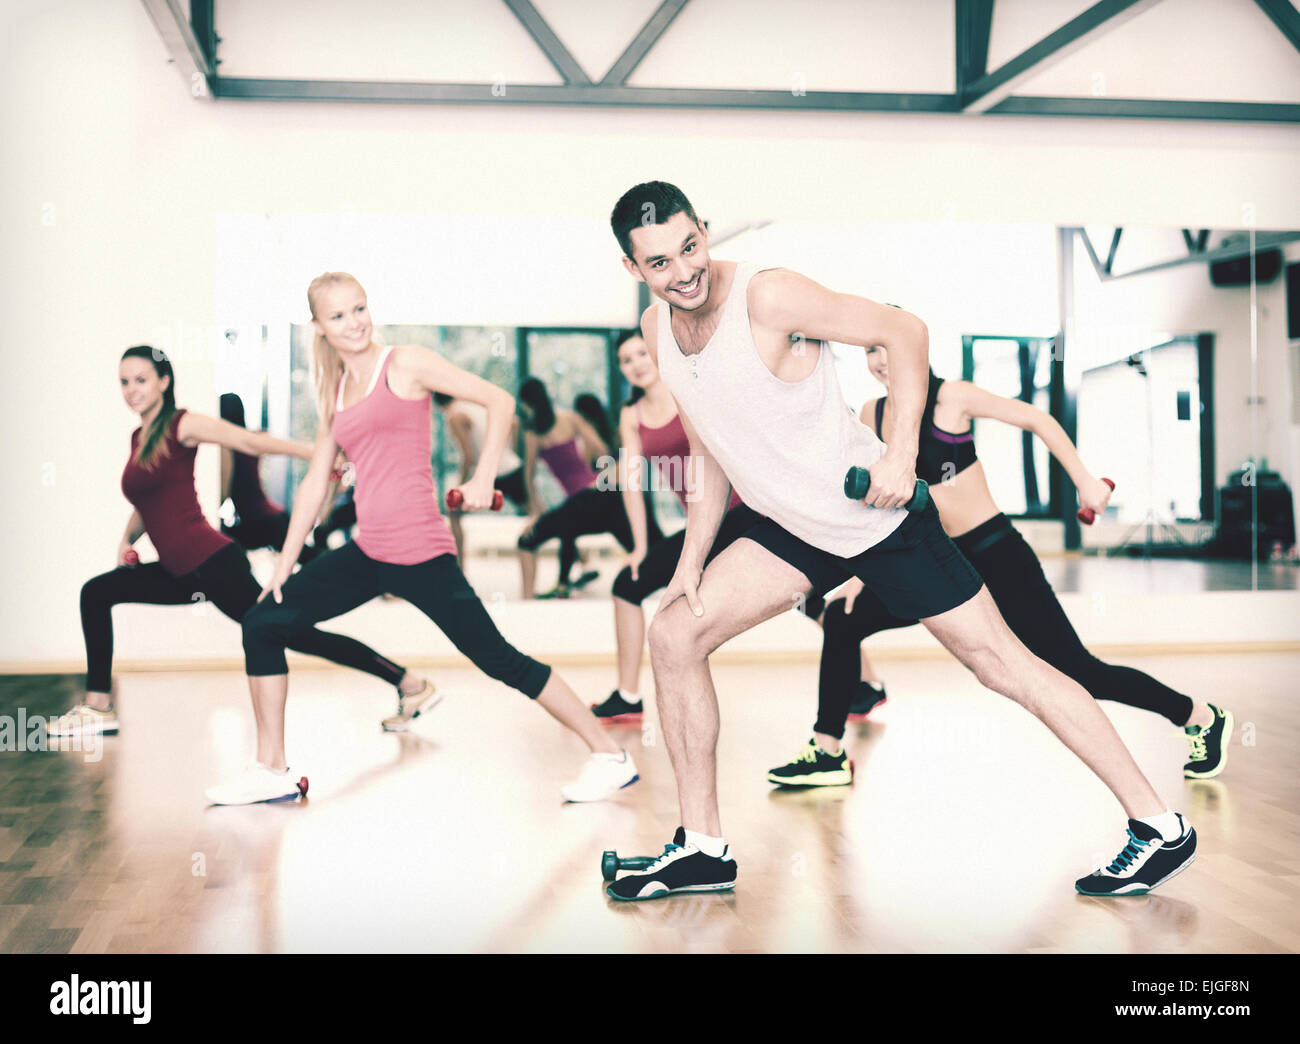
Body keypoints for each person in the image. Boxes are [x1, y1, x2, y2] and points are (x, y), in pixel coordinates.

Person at [602, 181, 1195, 901]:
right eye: (661, 263)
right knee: (672, 637)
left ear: (705, 229)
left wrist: (899, 453)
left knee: (1004, 664)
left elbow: (902, 331)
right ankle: (701, 848)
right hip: (790, 528)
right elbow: (706, 444)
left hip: (876, 522)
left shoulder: (768, 296)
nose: (684, 271)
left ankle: (1158, 824)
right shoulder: (657, 330)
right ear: (636, 271)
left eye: (691, 246)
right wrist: (693, 553)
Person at [208, 272, 638, 805]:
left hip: (423, 553)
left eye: (359, 308)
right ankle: (271, 767)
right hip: (369, 553)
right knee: (263, 622)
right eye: (338, 315)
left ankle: (609, 755)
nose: (354, 322)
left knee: (498, 658)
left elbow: (498, 400)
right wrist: (283, 567)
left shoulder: (404, 363)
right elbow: (318, 480)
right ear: (319, 327)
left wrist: (482, 477)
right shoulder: (336, 391)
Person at [769, 356, 1234, 787]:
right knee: (843, 619)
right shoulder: (872, 413)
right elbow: (879, 502)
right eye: (870, 350)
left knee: (1078, 671)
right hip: (929, 561)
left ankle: (1198, 716)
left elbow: (1037, 418)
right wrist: (857, 574)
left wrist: (1085, 482)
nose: (880, 360)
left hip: (994, 554)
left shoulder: (952, 398)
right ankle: (828, 751)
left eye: (887, 346)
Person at [49, 346, 431, 740]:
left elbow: (249, 442)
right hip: (179, 571)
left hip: (213, 564)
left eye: (141, 380)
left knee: (294, 633)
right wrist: (126, 540)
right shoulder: (139, 438)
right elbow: (148, 503)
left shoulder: (182, 424)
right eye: (124, 382)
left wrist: (317, 454)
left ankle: (409, 684)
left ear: (164, 382)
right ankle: (98, 707)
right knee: (96, 593)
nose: (132, 390)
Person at [591, 331, 758, 723]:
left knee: (804, 595)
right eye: (626, 360)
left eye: (641, 353)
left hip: (745, 512)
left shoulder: (690, 392)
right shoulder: (630, 416)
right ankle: (628, 695)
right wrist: (640, 547)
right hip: (704, 527)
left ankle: (860, 683)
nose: (636, 364)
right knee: (627, 586)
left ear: (656, 353)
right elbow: (633, 484)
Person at [515, 378, 662, 598]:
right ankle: (564, 583)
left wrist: (536, 512)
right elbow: (601, 448)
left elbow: (528, 477)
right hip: (598, 493)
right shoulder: (570, 419)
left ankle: (528, 599)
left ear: (528, 405)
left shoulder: (533, 435)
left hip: (582, 500)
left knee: (526, 541)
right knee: (572, 529)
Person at [434, 391, 526, 559]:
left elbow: (468, 456)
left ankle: (460, 569)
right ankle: (581, 558)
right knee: (540, 514)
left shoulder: (454, 416)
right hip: (511, 468)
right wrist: (508, 452)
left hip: (490, 474)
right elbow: (514, 422)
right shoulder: (473, 404)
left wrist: (460, 487)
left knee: (454, 515)